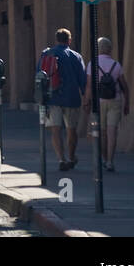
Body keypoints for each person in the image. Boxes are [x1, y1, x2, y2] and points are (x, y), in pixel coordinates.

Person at [40, 28, 86, 171]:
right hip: (71, 97)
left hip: (52, 97)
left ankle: (61, 158)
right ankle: (71, 157)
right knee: (71, 130)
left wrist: (41, 97)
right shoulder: (76, 56)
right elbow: (83, 79)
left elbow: (40, 75)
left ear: (56, 39)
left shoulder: (47, 54)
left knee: (56, 129)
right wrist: (86, 97)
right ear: (69, 40)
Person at [84, 36, 129, 171]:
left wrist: (87, 101)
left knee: (101, 132)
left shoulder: (92, 64)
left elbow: (89, 86)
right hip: (115, 99)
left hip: (99, 101)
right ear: (110, 49)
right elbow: (124, 86)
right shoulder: (116, 65)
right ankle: (110, 161)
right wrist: (128, 103)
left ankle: (104, 158)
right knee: (112, 131)